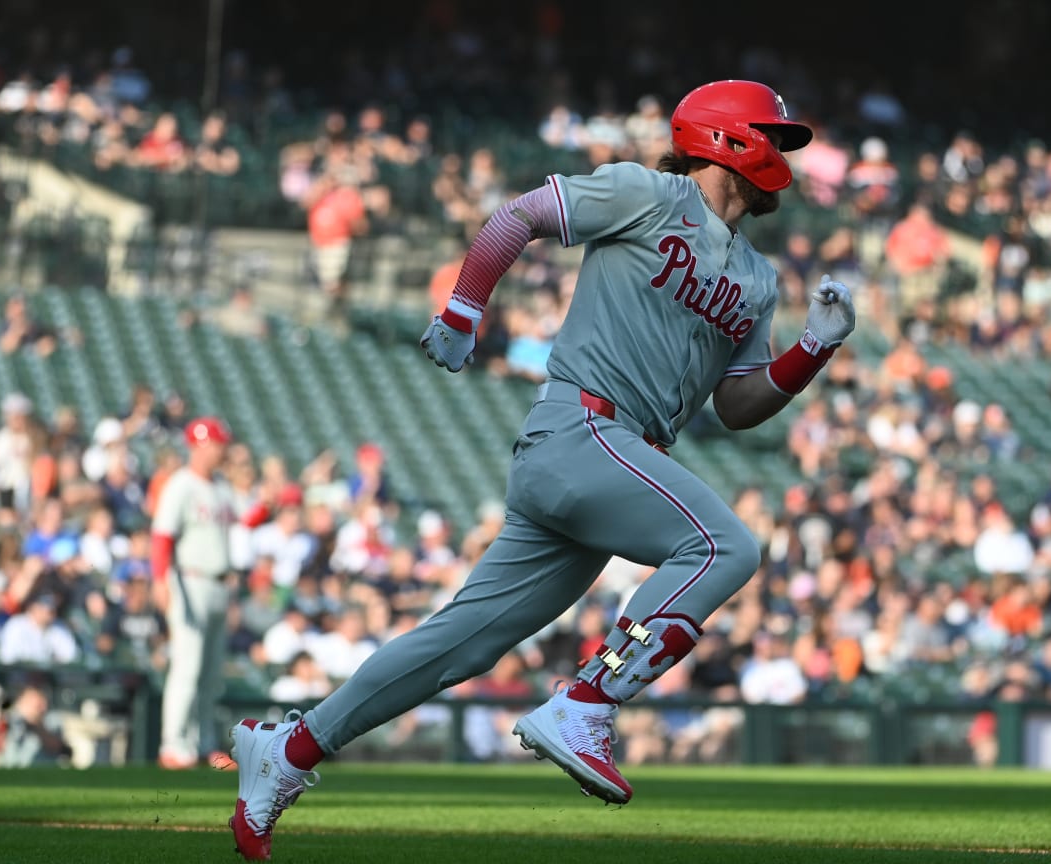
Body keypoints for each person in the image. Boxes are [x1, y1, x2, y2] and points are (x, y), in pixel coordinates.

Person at [225, 79, 857, 858]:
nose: (785, 152)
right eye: (776, 136)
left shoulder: (758, 279)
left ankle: (287, 752)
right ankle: (587, 699)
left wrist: (813, 349)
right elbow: (518, 215)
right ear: (730, 138)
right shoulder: (647, 191)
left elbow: (738, 407)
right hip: (582, 430)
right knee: (725, 547)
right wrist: (464, 306)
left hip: (616, 462)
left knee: (461, 644)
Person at [152, 417, 271, 770]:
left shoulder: (219, 487)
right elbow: (162, 536)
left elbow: (242, 522)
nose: (222, 449)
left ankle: (203, 744)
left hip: (220, 584)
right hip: (189, 581)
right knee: (186, 668)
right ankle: (173, 745)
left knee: (210, 673)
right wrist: (160, 580)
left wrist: (266, 506)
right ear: (201, 444)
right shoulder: (181, 484)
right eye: (218, 443)